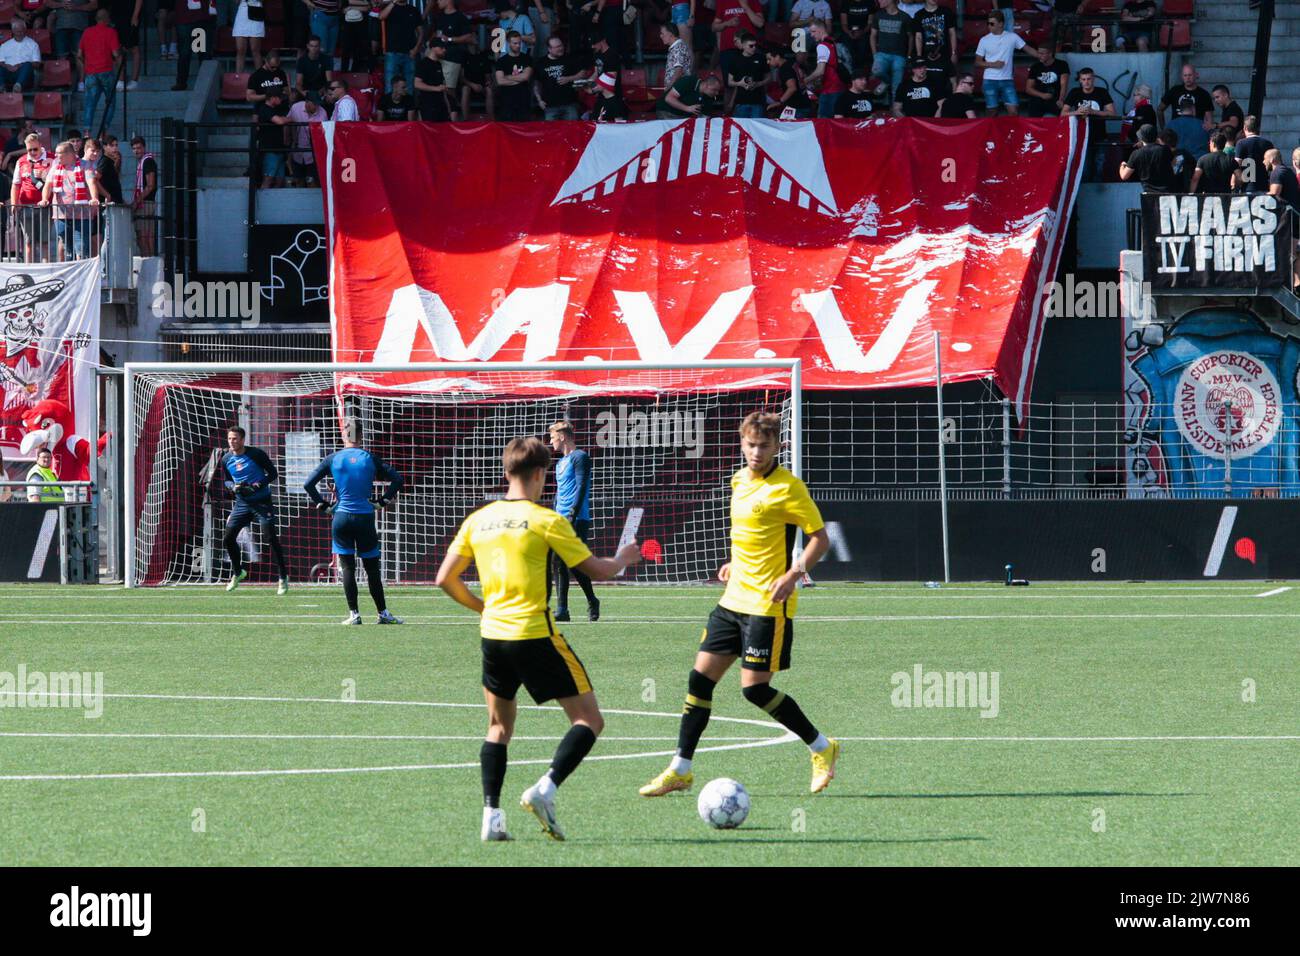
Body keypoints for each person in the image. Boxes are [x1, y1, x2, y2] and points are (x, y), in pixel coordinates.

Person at [435, 436, 642, 842]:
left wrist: (483, 609)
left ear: (506, 471)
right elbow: (597, 570)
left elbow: (444, 578)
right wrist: (622, 559)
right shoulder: (546, 520)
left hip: (493, 637)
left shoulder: (480, 519)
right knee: (589, 720)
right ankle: (545, 790)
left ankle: (492, 816)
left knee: (498, 728)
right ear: (540, 474)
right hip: (533, 634)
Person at [639, 412, 838, 799]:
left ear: (777, 446)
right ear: (742, 443)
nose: (756, 452)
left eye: (764, 446)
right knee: (700, 680)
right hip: (732, 600)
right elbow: (748, 533)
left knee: (754, 690)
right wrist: (735, 562)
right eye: (750, 445)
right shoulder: (737, 481)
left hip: (768, 604)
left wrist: (792, 574)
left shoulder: (789, 488)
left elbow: (820, 539)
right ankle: (681, 769)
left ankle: (821, 748)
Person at [303, 417, 404, 625]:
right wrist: (382, 501)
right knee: (372, 568)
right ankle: (383, 613)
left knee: (348, 568)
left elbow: (308, 484)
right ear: (362, 436)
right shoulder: (369, 457)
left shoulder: (333, 458)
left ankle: (354, 615)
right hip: (365, 517)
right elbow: (398, 479)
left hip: (341, 518)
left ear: (343, 435)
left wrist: (323, 505)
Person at [218, 425, 290, 594]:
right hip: (242, 504)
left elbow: (272, 474)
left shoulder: (256, 454)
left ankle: (282, 577)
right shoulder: (226, 458)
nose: (232, 442)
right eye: (229, 438)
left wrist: (257, 485)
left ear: (243, 439)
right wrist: (233, 487)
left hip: (262, 503)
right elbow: (226, 481)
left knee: (271, 538)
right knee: (228, 538)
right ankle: (238, 572)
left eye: (235, 438)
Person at [545, 421, 600, 622]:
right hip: (560, 518)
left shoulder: (580, 457)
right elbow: (560, 493)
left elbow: (581, 486)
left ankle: (592, 600)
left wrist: (573, 513)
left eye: (552, 437)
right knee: (557, 561)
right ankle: (562, 610)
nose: (550, 441)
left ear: (562, 436)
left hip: (577, 518)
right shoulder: (560, 463)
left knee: (575, 563)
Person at [39, 139, 101, 260]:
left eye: (59, 153)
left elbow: (91, 182)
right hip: (61, 214)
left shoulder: (85, 165)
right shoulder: (55, 165)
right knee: (65, 245)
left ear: (69, 154)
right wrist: (44, 199)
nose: (56, 155)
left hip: (81, 214)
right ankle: (66, 272)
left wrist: (94, 198)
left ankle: (80, 275)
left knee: (81, 246)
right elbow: (48, 184)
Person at [975, 11, 1037, 116]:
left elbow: (1028, 49)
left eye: (992, 24)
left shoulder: (1012, 37)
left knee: (1013, 111)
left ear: (1001, 24)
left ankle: (1011, 132)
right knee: (992, 111)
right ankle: (991, 132)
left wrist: (1041, 56)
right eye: (988, 23)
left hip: (1007, 80)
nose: (989, 26)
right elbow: (977, 62)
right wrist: (994, 64)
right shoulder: (984, 40)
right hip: (989, 80)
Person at [78, 9, 122, 136]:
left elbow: (79, 54)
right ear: (106, 19)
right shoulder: (111, 32)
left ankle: (87, 132)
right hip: (106, 71)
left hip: (91, 73)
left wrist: (87, 63)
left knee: (90, 104)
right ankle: (104, 129)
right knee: (110, 102)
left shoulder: (87, 32)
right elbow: (115, 53)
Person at [9, 132, 48, 260]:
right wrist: (15, 203)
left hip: (45, 207)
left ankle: (46, 270)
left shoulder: (52, 158)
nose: (32, 152)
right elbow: (16, 184)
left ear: (41, 146)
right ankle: (29, 271)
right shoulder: (21, 161)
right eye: (29, 149)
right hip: (26, 208)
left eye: (35, 149)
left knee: (44, 242)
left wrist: (44, 176)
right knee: (28, 242)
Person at [870, 0, 911, 104]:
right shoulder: (878, 15)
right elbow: (873, 35)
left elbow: (911, 37)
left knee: (896, 88)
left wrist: (909, 55)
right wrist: (875, 54)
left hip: (899, 55)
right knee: (876, 71)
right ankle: (886, 81)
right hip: (882, 53)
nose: (879, 1)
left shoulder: (904, 17)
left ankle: (895, 111)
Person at [171, 0, 217, 91]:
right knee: (185, 52)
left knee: (203, 53)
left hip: (202, 18)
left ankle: (204, 83)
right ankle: (181, 82)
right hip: (185, 17)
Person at [535, 35, 583, 120]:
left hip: (570, 104)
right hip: (550, 106)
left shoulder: (569, 58)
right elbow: (537, 83)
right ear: (549, 49)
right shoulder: (541, 63)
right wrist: (539, 100)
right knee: (551, 132)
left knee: (572, 131)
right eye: (557, 47)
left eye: (561, 45)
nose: (560, 48)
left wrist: (569, 78)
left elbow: (583, 73)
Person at [379, 0, 423, 92]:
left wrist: (416, 48)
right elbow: (381, 16)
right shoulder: (390, 8)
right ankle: (390, 106)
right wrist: (393, 2)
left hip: (410, 53)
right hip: (392, 52)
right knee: (390, 85)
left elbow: (421, 32)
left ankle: (409, 106)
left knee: (409, 85)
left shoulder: (414, 10)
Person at [913, 0, 957, 91]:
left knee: (948, 81)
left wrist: (953, 52)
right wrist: (919, 56)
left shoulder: (946, 12)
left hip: (944, 53)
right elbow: (918, 37)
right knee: (927, 82)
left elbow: (952, 33)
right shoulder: (919, 15)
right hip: (926, 55)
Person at [1119, 124, 1174, 192]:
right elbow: (1173, 163)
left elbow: (1124, 176)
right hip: (1167, 191)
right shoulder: (1164, 150)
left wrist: (1122, 165)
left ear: (1141, 138)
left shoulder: (1136, 153)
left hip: (1149, 193)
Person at [806, 19, 843, 118]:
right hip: (838, 85)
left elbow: (820, 71)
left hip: (829, 90)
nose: (811, 35)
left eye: (813, 32)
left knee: (822, 124)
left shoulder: (822, 46)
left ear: (821, 30)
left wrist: (805, 80)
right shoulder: (832, 42)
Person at [494, 30, 533, 122]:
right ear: (508, 43)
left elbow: (526, 77)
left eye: (519, 43)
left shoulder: (527, 58)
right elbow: (500, 81)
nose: (518, 46)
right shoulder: (501, 61)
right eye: (515, 43)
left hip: (523, 99)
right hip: (506, 100)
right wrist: (520, 78)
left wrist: (507, 77)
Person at [1158, 63, 1213, 127]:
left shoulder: (1204, 94)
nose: (1187, 78)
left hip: (1195, 131)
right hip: (1176, 131)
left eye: (1190, 75)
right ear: (1182, 77)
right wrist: (1164, 129)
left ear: (1196, 75)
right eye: (1185, 75)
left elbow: (1208, 118)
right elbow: (1160, 109)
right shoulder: (1174, 91)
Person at [726, 31, 765, 118]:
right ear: (743, 45)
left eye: (755, 45)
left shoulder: (761, 58)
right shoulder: (735, 60)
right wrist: (740, 83)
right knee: (740, 130)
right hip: (741, 103)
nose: (754, 48)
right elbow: (729, 82)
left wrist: (758, 84)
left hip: (757, 102)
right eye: (751, 46)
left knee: (756, 130)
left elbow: (769, 77)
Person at [1023, 41, 1066, 118]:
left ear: (1050, 54)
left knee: (1063, 115)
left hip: (1055, 98)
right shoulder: (1035, 67)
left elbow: (1064, 84)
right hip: (1038, 98)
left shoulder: (1062, 65)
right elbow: (1028, 89)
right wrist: (1042, 95)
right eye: (1038, 53)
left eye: (1042, 54)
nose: (1039, 56)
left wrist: (1061, 99)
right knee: (1033, 116)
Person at [414, 38, 453, 121]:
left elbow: (442, 86)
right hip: (428, 104)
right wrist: (436, 88)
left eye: (445, 48)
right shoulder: (423, 63)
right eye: (441, 47)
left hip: (441, 104)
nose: (444, 50)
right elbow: (417, 84)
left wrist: (448, 106)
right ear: (433, 48)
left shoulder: (438, 64)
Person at [1232, 115, 1273, 193]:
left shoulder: (1241, 143)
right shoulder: (1268, 144)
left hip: (1247, 186)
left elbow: (1236, 164)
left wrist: (1235, 183)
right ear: (1258, 128)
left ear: (1245, 128)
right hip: (1263, 185)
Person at [130, 135, 157, 255]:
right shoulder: (143, 162)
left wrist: (137, 201)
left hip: (145, 203)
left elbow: (150, 185)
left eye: (139, 148)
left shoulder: (148, 161)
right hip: (146, 201)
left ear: (144, 148)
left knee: (144, 236)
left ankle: (148, 259)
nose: (137, 151)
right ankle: (150, 260)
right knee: (147, 235)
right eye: (134, 148)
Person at [0, 18, 42, 92]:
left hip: (25, 74)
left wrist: (20, 65)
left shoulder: (33, 44)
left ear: (25, 30)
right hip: (9, 72)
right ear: (13, 31)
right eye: (18, 32)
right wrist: (8, 66)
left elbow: (37, 64)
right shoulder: (5, 45)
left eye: (22, 31)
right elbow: (1, 61)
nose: (20, 33)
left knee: (27, 64)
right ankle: (2, 87)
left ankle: (18, 86)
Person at [657, 72, 721, 118]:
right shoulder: (688, 81)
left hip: (683, 116)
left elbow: (705, 117)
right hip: (667, 111)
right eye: (714, 90)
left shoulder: (709, 97)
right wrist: (687, 108)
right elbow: (669, 98)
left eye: (718, 91)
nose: (717, 93)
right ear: (706, 85)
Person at [296, 34, 332, 105]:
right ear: (308, 46)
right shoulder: (302, 61)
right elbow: (298, 83)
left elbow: (329, 81)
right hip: (307, 91)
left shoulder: (326, 59)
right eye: (311, 46)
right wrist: (303, 92)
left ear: (319, 46)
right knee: (293, 97)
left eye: (316, 46)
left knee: (330, 99)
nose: (314, 48)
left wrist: (323, 91)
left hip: (321, 90)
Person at [660, 23, 692, 91]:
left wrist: (668, 88)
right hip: (676, 89)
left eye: (662, 33)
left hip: (678, 89)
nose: (661, 36)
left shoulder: (678, 48)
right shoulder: (677, 47)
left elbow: (678, 72)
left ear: (670, 34)